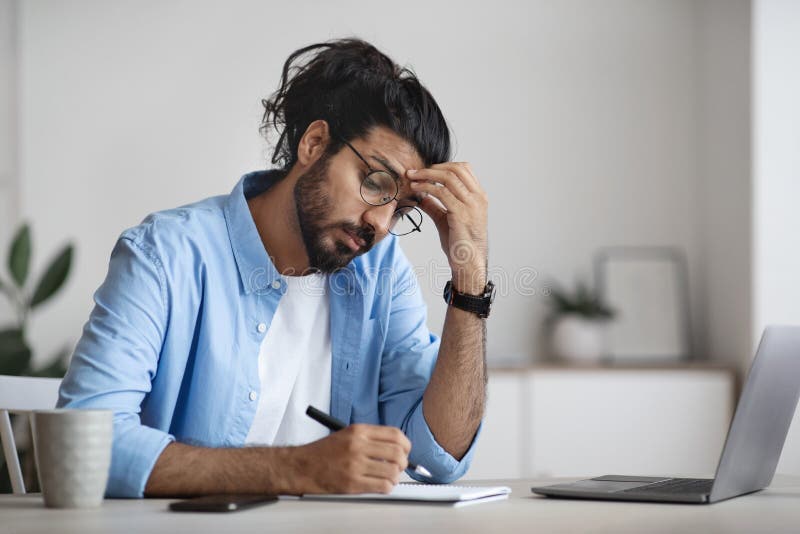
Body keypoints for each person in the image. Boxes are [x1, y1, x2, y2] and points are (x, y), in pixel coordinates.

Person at [57, 38, 494, 498]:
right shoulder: (165, 255)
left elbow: (441, 456)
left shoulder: (380, 273)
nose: (380, 224)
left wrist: (471, 279)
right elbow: (85, 444)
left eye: (402, 209)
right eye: (375, 183)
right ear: (315, 142)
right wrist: (296, 469)